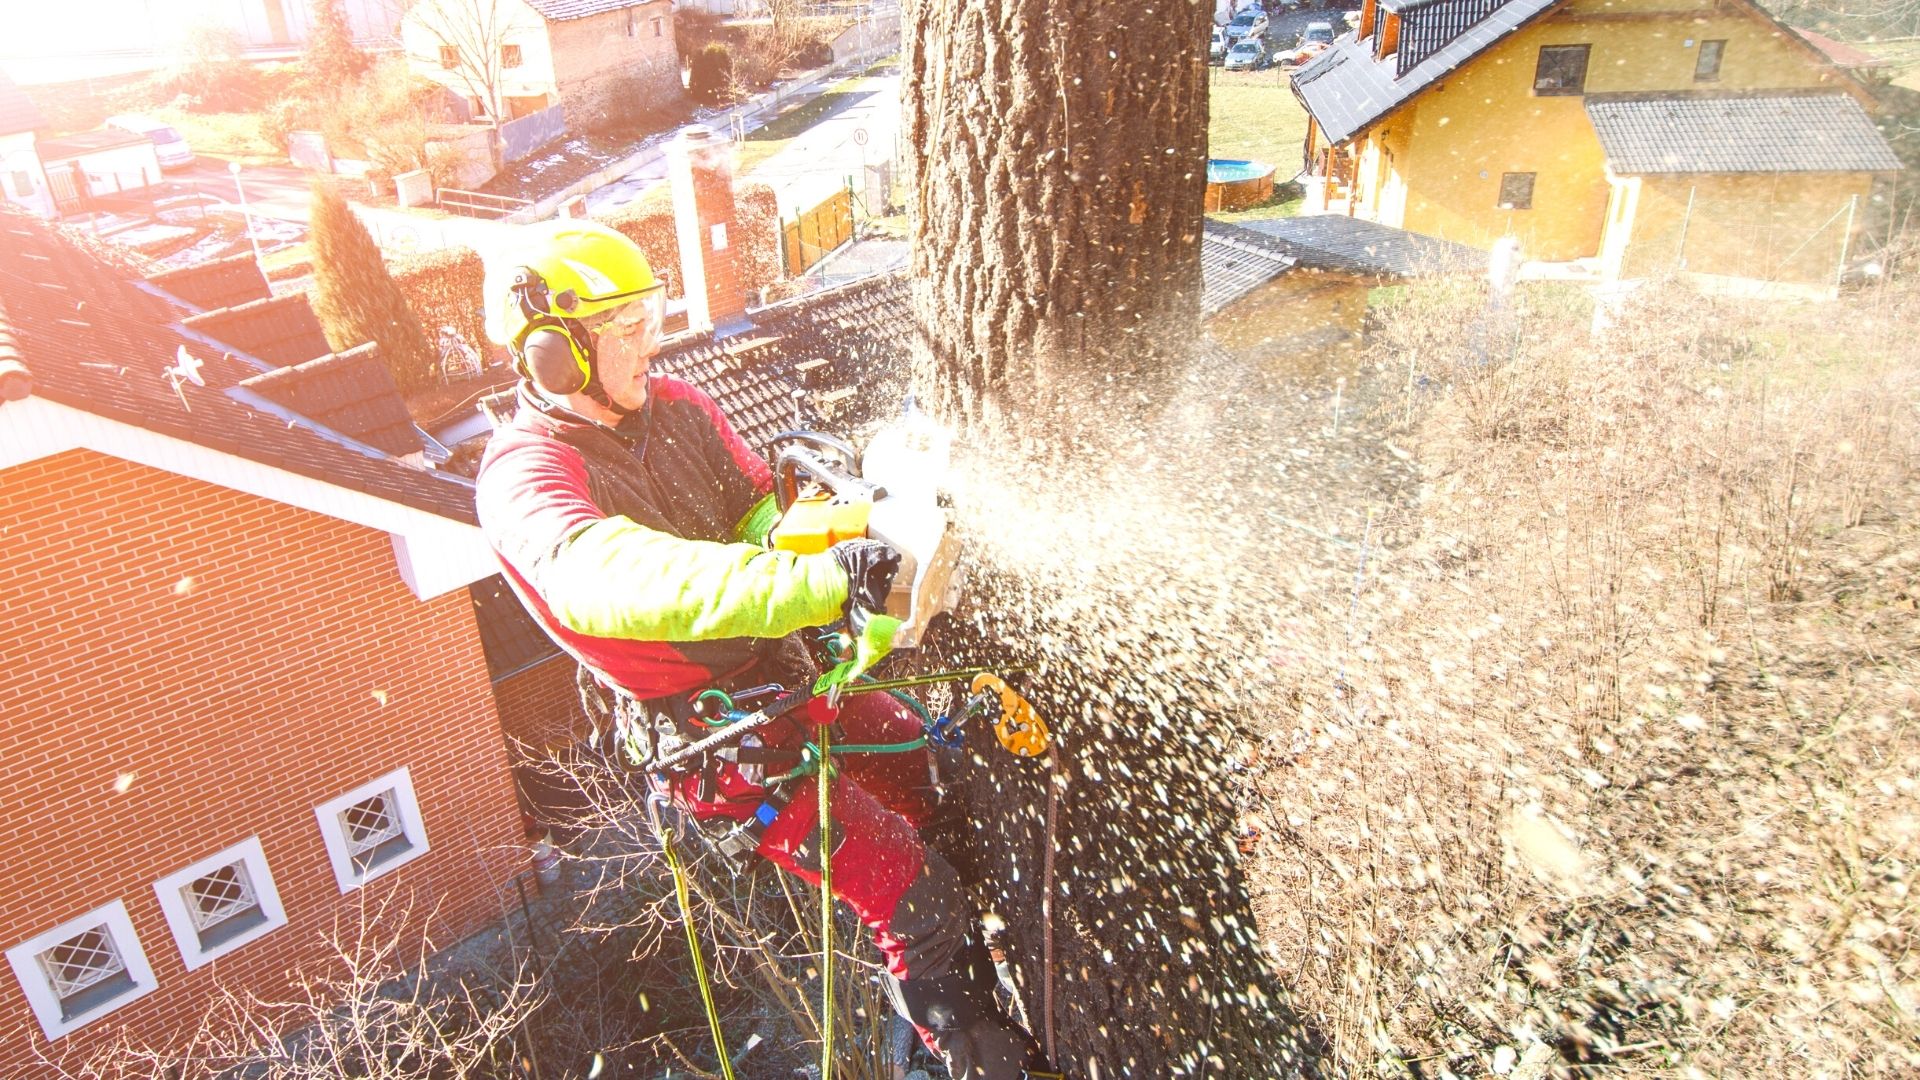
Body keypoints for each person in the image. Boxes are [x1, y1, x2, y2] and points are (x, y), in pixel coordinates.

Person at [472, 220, 1055, 1079]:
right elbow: (616, 578)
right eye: (624, 327)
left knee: (942, 786)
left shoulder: (679, 412)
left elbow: (758, 517)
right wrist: (816, 586)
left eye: (650, 317)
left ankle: (995, 962)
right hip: (730, 749)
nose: (649, 342)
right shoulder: (524, 476)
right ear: (555, 354)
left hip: (794, 679)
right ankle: (988, 1063)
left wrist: (857, 541)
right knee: (914, 896)